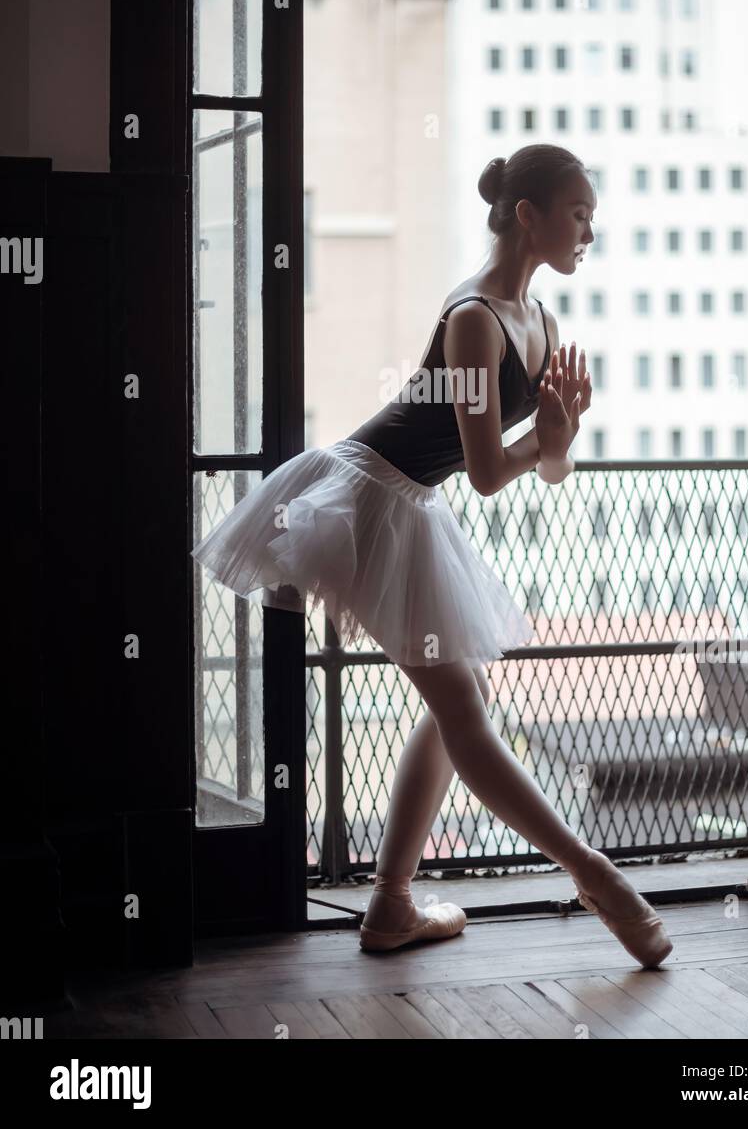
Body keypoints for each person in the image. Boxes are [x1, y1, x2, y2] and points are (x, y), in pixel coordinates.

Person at [190, 144, 673, 969]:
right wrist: (539, 443)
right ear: (529, 216)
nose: (591, 230)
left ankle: (390, 905)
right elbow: (489, 474)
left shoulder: (541, 322)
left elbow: (543, 468)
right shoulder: (476, 319)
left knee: (463, 698)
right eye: (580, 213)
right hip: (368, 494)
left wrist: (561, 439)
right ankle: (592, 873)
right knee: (465, 710)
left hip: (409, 503)